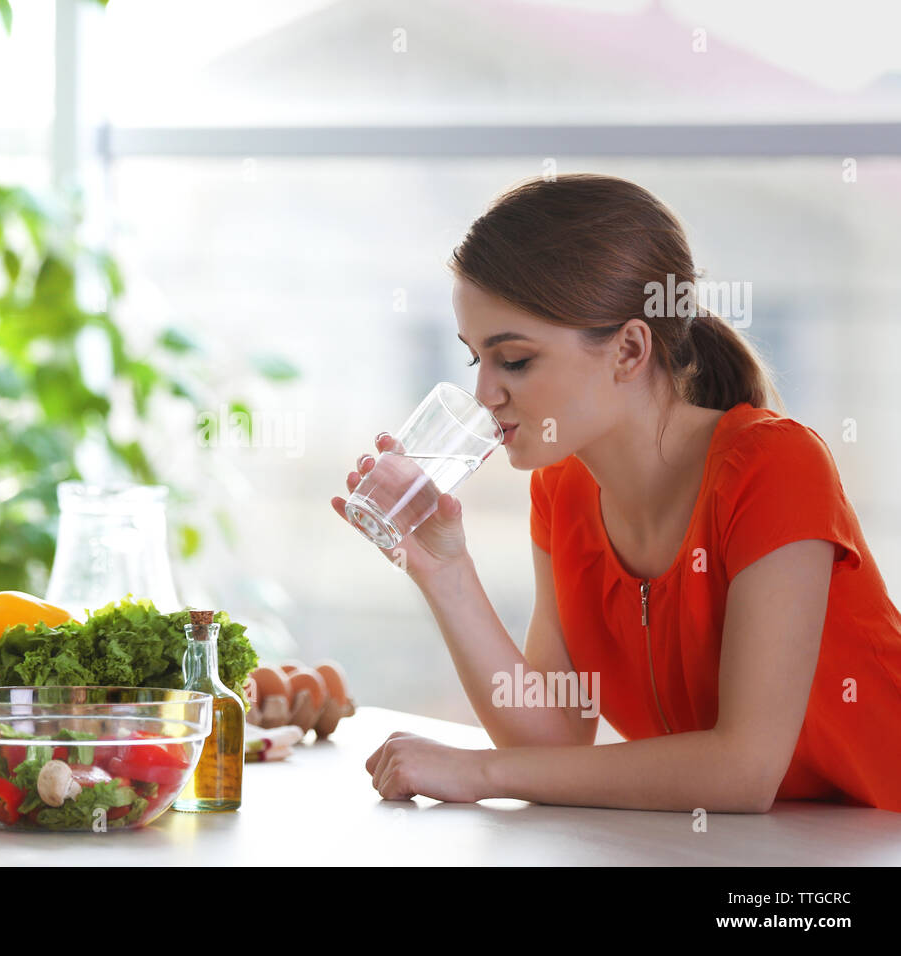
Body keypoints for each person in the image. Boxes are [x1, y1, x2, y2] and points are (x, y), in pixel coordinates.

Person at [332, 173, 901, 813]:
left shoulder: (775, 466)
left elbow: (742, 771)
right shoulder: (562, 487)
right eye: (475, 360)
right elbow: (552, 745)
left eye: (514, 359)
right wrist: (444, 572)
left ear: (629, 349)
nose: (486, 394)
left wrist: (482, 772)